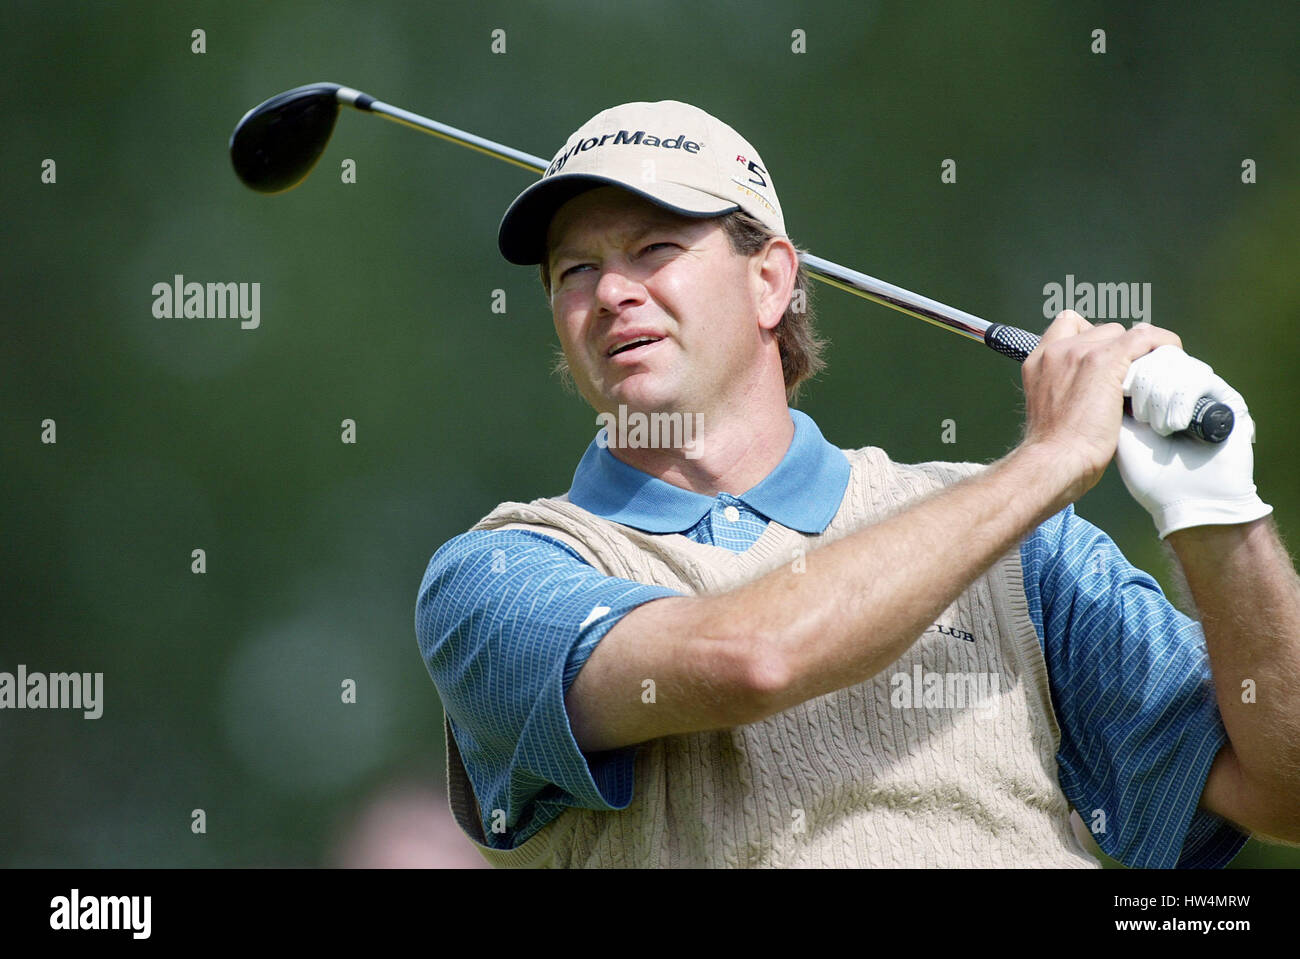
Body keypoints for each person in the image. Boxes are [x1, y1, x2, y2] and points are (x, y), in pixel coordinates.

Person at [415, 100, 1300, 868]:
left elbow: (1284, 790)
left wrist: (1217, 515)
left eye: (654, 248)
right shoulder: (495, 578)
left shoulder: (1023, 552)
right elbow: (751, 659)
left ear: (771, 282)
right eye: (575, 269)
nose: (611, 291)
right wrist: (1048, 460)